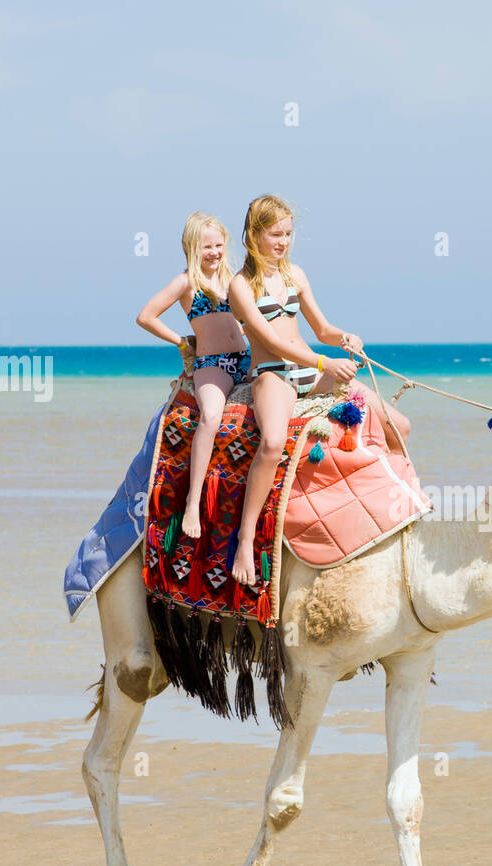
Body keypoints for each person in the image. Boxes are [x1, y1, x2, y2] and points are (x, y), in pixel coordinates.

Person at [226, 194, 411, 586]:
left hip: (310, 367)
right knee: (273, 443)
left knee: (399, 425)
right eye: (275, 234)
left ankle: (400, 510)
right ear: (254, 234)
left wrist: (345, 338)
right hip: (273, 373)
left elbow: (321, 330)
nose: (283, 242)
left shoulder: (297, 275)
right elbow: (271, 342)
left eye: (289, 234)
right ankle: (244, 537)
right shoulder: (240, 284)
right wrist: (326, 364)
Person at [135, 211, 251, 538]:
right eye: (206, 247)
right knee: (211, 418)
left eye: (218, 245)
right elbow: (146, 316)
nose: (213, 252)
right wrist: (181, 340)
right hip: (212, 363)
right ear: (191, 248)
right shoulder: (187, 281)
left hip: (245, 357)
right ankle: (193, 502)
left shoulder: (235, 278)